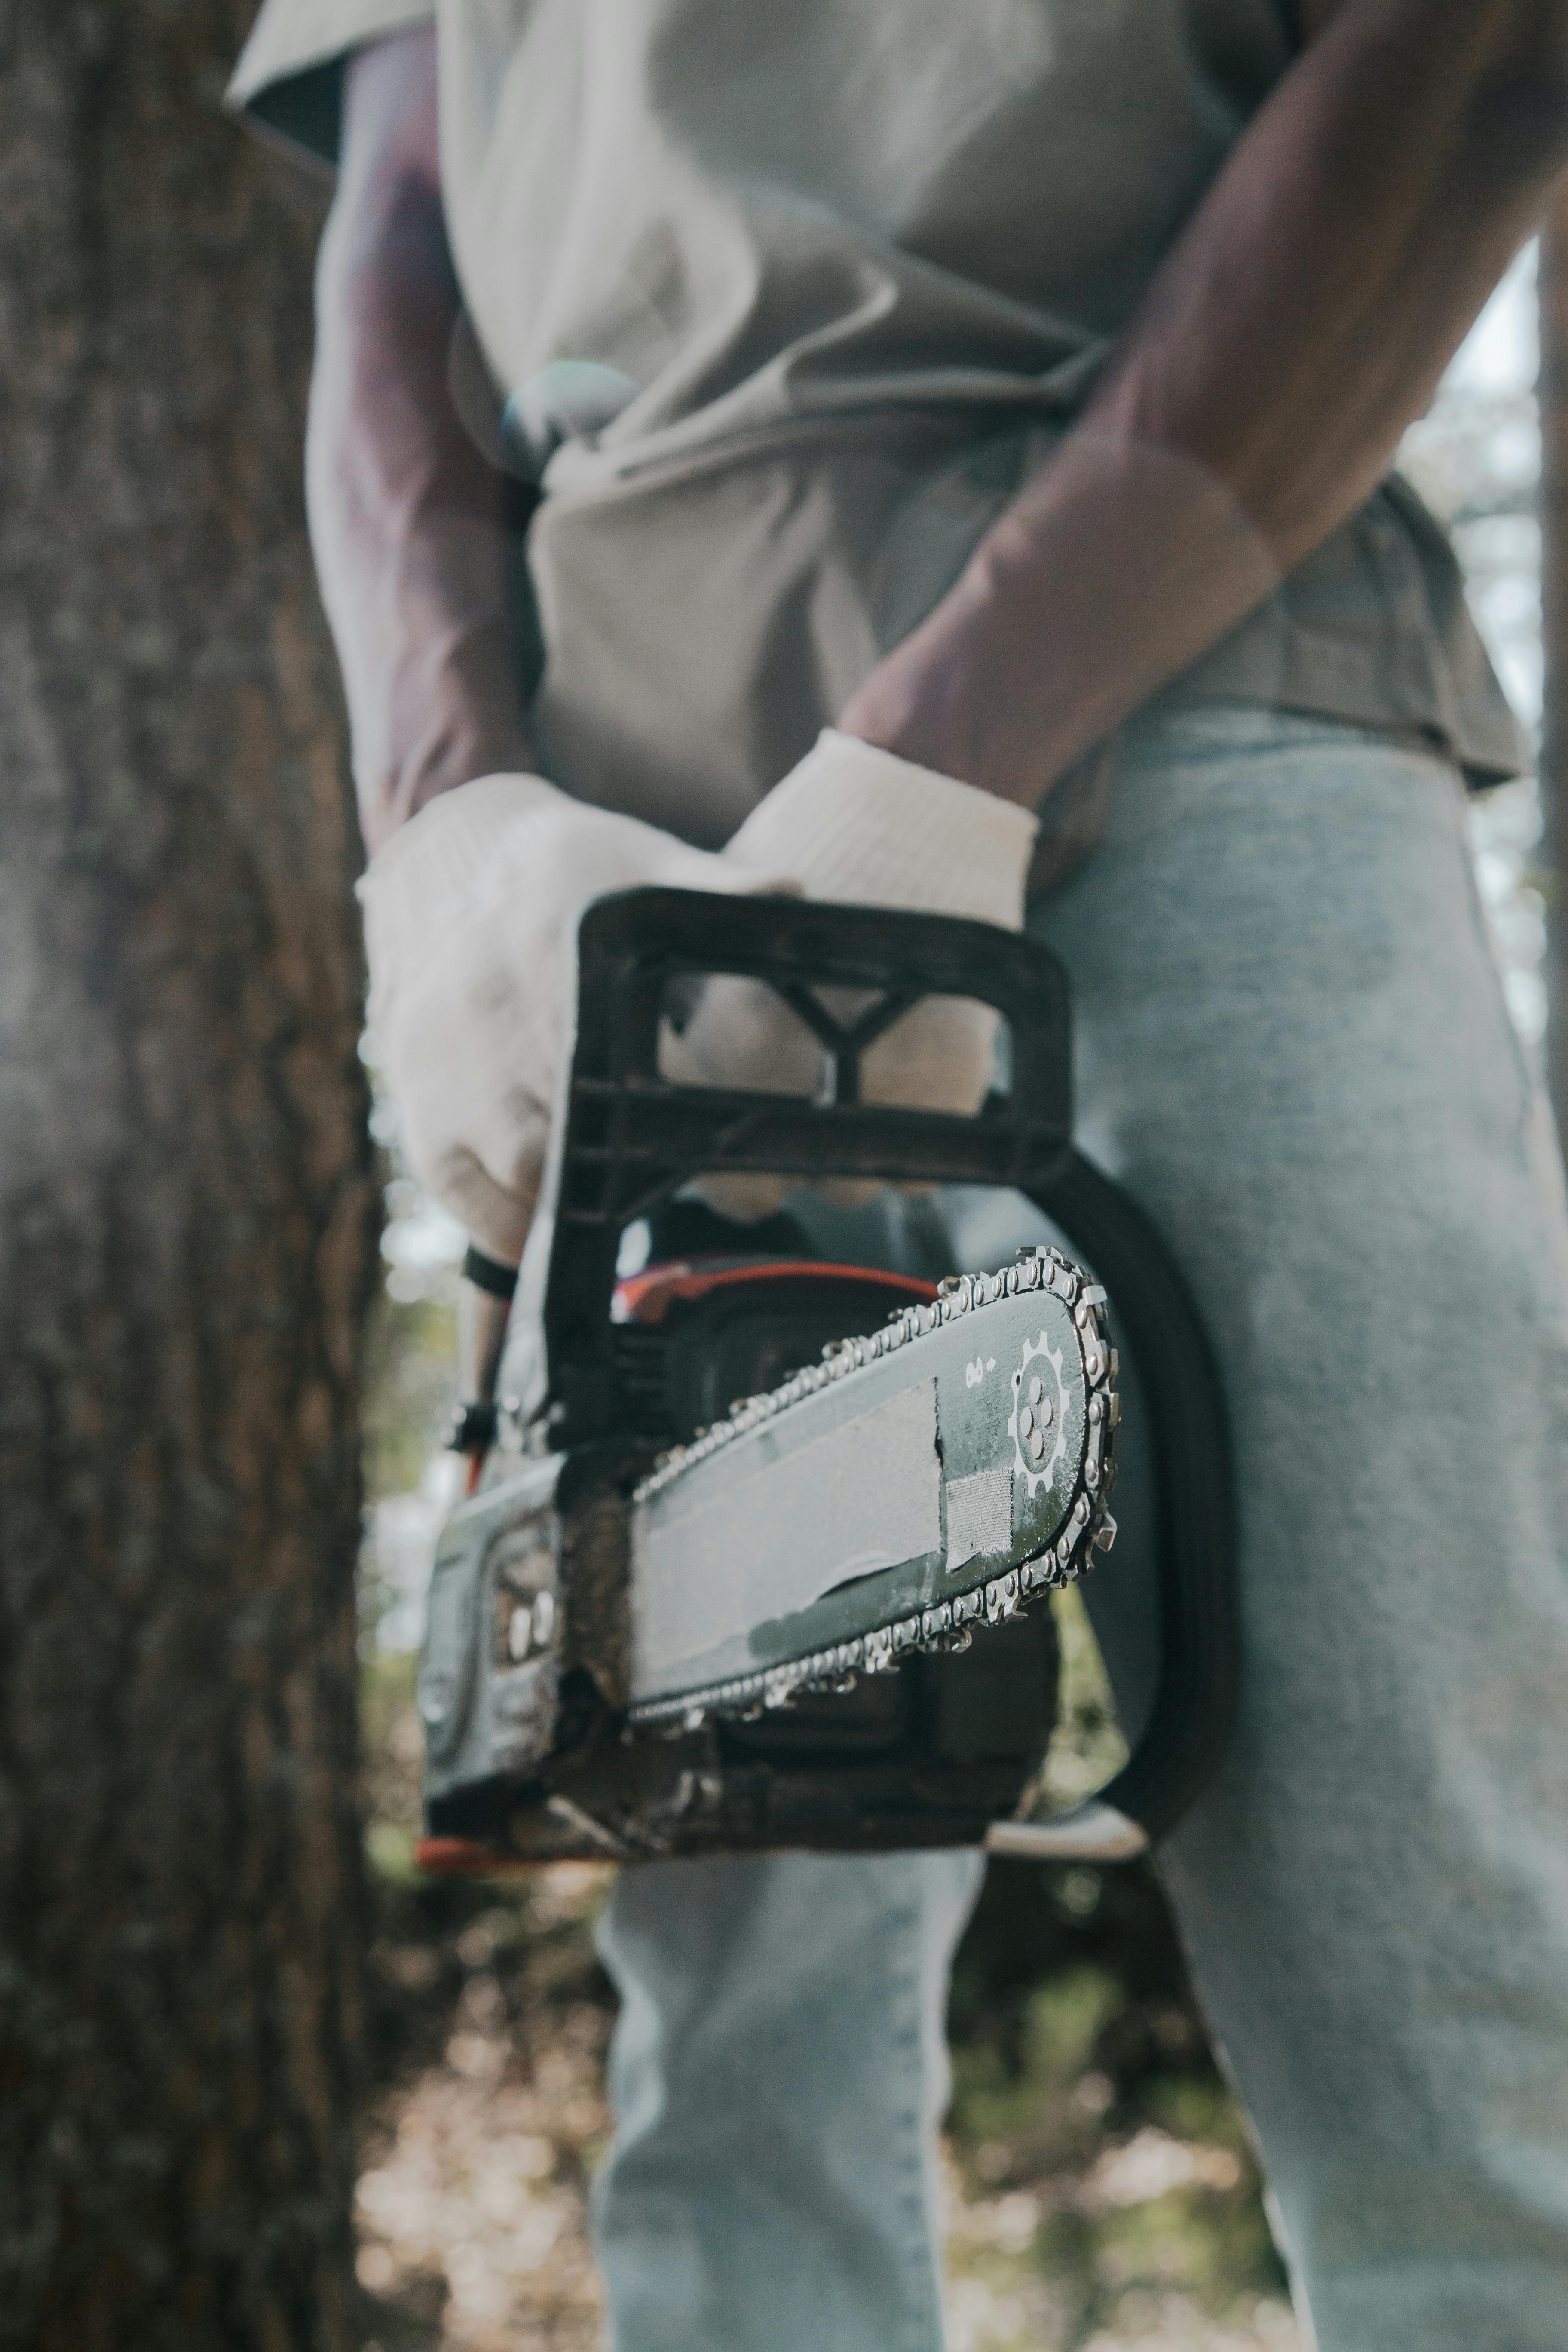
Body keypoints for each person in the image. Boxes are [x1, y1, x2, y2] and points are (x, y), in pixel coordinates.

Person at [231, 6, 1568, 2347]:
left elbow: (1467, 54)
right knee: (737, 2036)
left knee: (1436, 1947)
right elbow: (399, 223)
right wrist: (449, 804)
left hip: (1222, 644)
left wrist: (961, 736)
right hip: (629, 835)